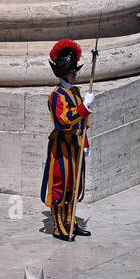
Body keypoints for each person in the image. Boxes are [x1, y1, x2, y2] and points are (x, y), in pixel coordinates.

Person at [40, 39, 93, 239]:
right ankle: (59, 226)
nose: (75, 75)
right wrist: (83, 108)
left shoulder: (75, 92)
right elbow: (63, 121)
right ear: (63, 73)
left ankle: (70, 221)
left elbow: (82, 123)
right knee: (60, 186)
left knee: (74, 185)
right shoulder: (56, 96)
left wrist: (85, 142)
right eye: (72, 72)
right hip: (62, 146)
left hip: (75, 145)